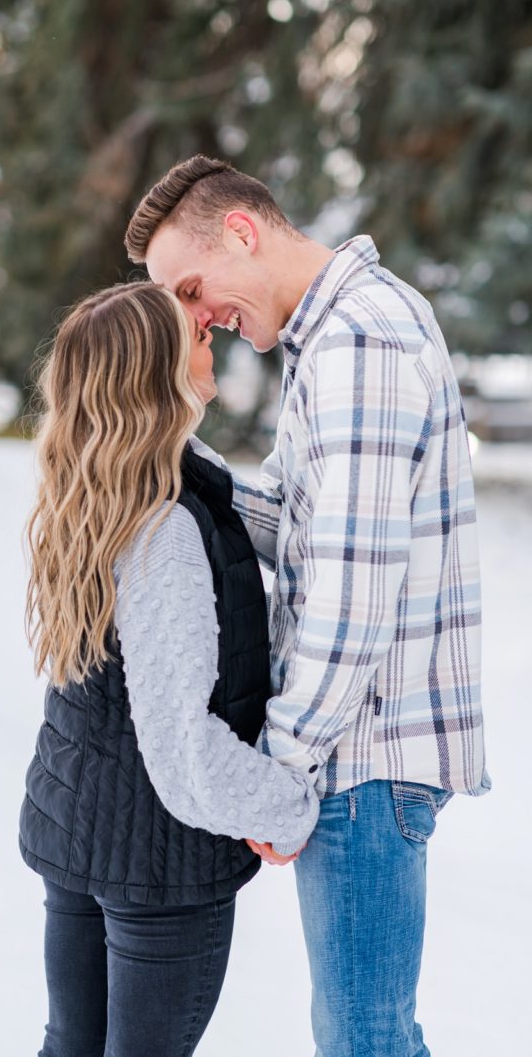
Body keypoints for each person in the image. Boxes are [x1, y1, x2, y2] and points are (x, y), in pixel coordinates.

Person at [125, 156, 490, 1057]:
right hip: (355, 747)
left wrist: (280, 774)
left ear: (243, 231)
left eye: (192, 286)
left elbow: (350, 591)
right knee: (364, 1032)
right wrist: (175, 465)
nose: (195, 318)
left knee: (364, 1039)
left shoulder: (360, 343)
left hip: (358, 754)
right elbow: (298, 523)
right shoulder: (338, 339)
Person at [18, 281, 319, 1057]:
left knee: (69, 1046)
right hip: (156, 864)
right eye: (192, 334)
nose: (211, 337)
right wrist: (285, 810)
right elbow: (185, 749)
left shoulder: (103, 491)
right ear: (153, 371)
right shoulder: (163, 533)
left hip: (81, 833)